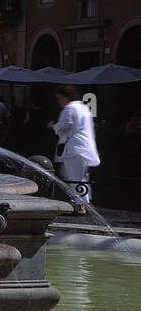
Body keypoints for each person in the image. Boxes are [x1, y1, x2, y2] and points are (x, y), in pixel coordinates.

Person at [49, 85, 99, 215]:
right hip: (84, 146)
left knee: (73, 177)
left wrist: (53, 126)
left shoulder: (70, 108)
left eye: (59, 98)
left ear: (66, 97)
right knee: (79, 176)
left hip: (74, 147)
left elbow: (64, 126)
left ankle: (80, 205)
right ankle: (85, 203)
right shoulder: (84, 107)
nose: (58, 101)